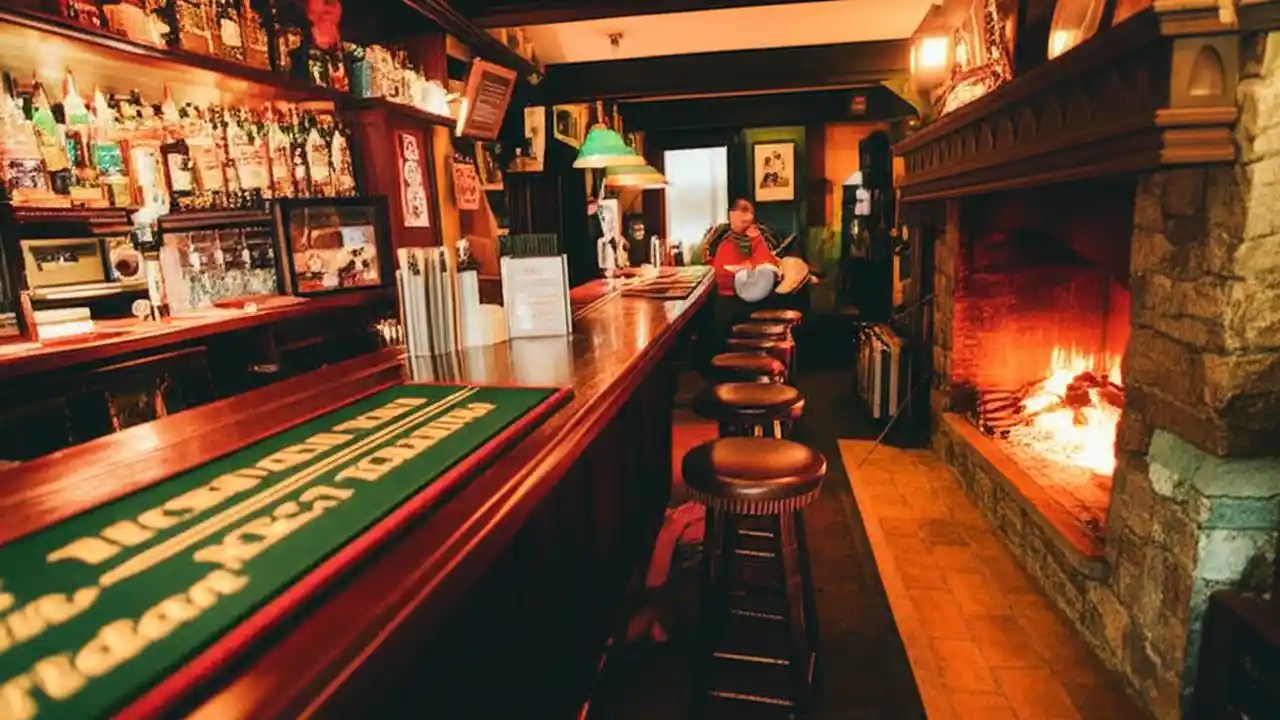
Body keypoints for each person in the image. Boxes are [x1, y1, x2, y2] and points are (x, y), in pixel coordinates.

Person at [694, 198, 781, 362]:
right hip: (723, 291)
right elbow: (718, 261)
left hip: (742, 296)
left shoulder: (755, 238)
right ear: (731, 216)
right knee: (702, 310)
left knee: (720, 319)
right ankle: (706, 363)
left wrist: (746, 266)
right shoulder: (725, 237)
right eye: (740, 219)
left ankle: (724, 363)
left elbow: (766, 263)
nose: (744, 224)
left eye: (747, 219)